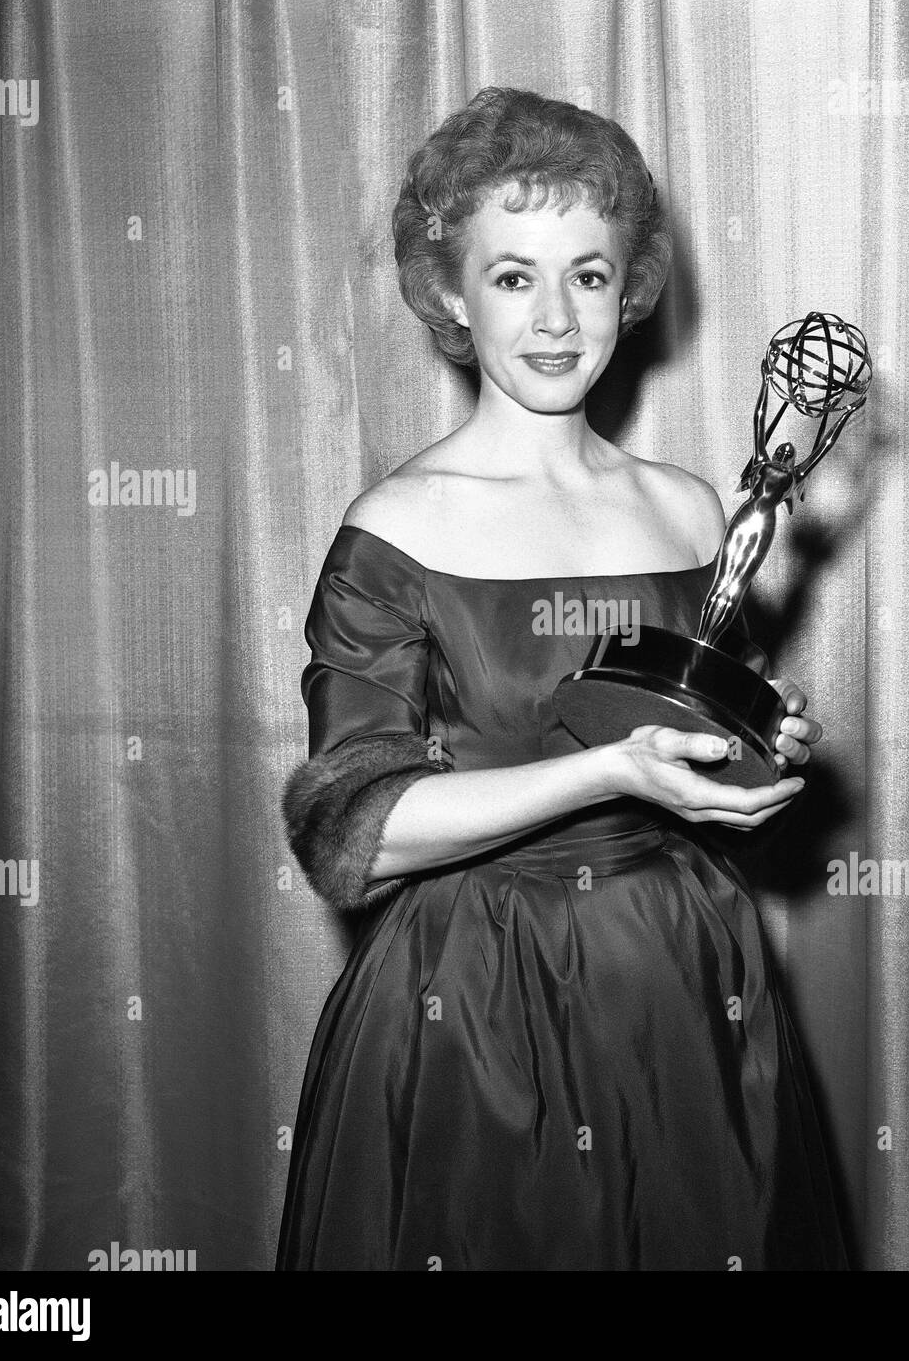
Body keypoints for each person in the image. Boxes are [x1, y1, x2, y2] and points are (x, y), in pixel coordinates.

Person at [275, 86, 848, 1271]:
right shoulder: (397, 526)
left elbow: (694, 745)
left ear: (626, 288)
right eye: (512, 275)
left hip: (679, 985)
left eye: (586, 275)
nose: (553, 317)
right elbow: (354, 833)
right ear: (448, 291)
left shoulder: (691, 507)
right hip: (465, 1007)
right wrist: (606, 770)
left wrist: (756, 751)